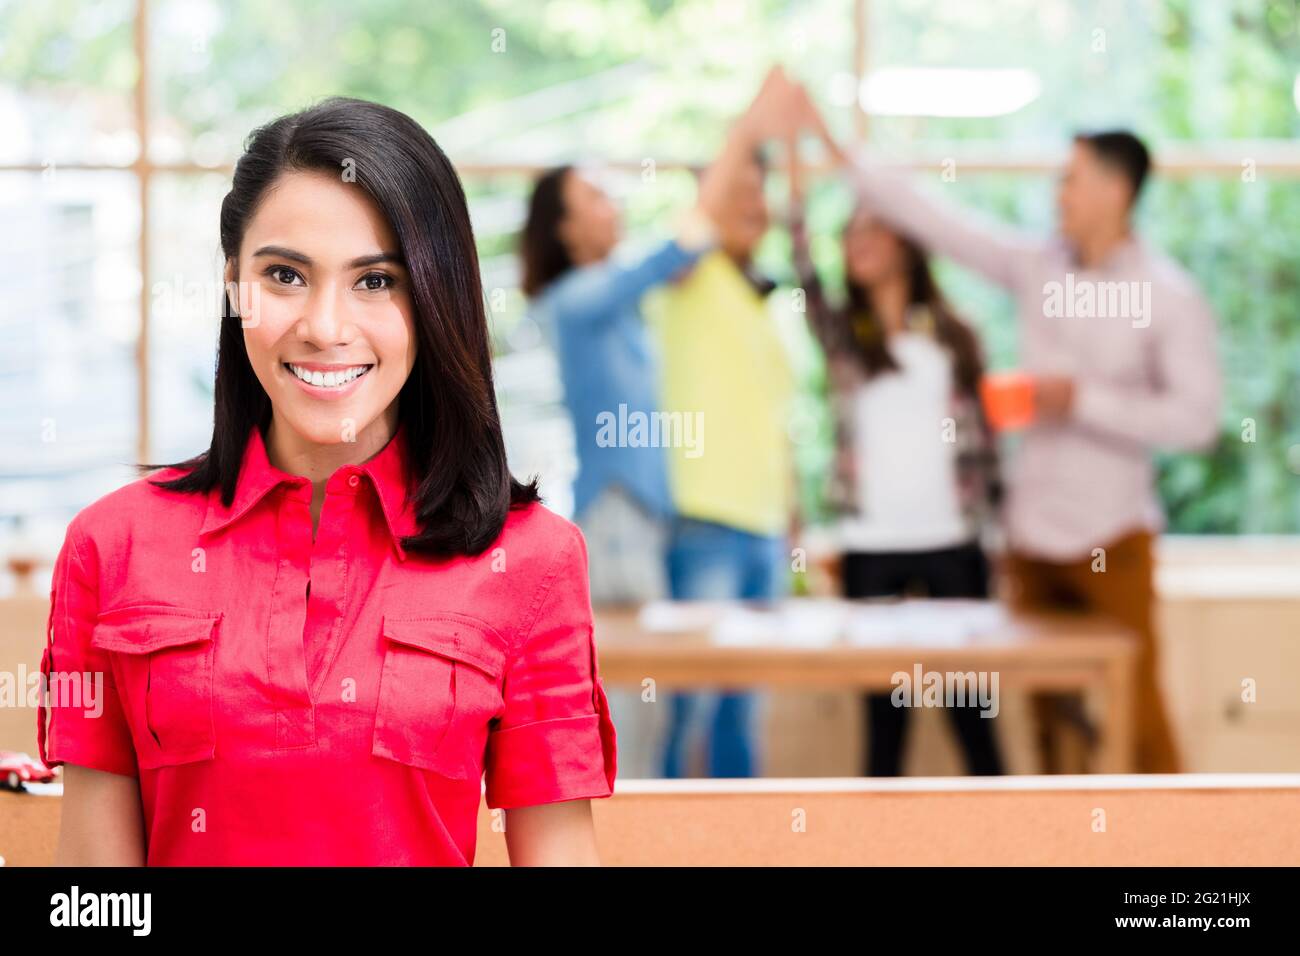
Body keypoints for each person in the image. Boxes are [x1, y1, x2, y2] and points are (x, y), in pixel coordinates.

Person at [38, 97, 616, 866]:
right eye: (284, 275)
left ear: (436, 295)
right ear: (234, 286)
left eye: (376, 281)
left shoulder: (532, 560)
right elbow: (97, 892)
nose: (325, 326)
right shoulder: (112, 545)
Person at [810, 108, 1221, 773]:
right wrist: (834, 146)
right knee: (1048, 725)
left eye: (1071, 180)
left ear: (1116, 192)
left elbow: (1196, 422)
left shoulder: (1169, 295)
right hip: (1030, 544)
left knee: (1137, 716)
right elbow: (936, 221)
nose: (1057, 193)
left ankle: (1173, 870)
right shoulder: (1036, 267)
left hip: (1111, 541)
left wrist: (1079, 399)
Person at [518, 71, 793, 778]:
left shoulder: (616, 307)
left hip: (643, 519)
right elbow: (681, 246)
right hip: (615, 521)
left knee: (655, 711)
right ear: (565, 229)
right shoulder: (577, 300)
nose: (614, 208)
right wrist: (745, 132)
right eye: (597, 198)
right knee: (634, 719)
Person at [787, 90, 1004, 776]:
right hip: (871, 549)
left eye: (874, 228)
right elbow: (798, 263)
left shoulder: (956, 333)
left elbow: (992, 452)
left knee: (976, 729)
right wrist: (798, 166)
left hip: (955, 546)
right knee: (884, 740)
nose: (860, 243)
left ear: (906, 241)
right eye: (850, 234)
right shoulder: (844, 339)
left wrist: (1001, 541)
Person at [647, 72, 801, 779]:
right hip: (703, 519)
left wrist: (793, 517)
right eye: (733, 190)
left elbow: (772, 421)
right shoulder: (689, 273)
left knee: (745, 714)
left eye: (756, 192)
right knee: (693, 712)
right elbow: (702, 217)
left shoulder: (756, 298)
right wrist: (751, 125)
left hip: (765, 532)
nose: (749, 204)